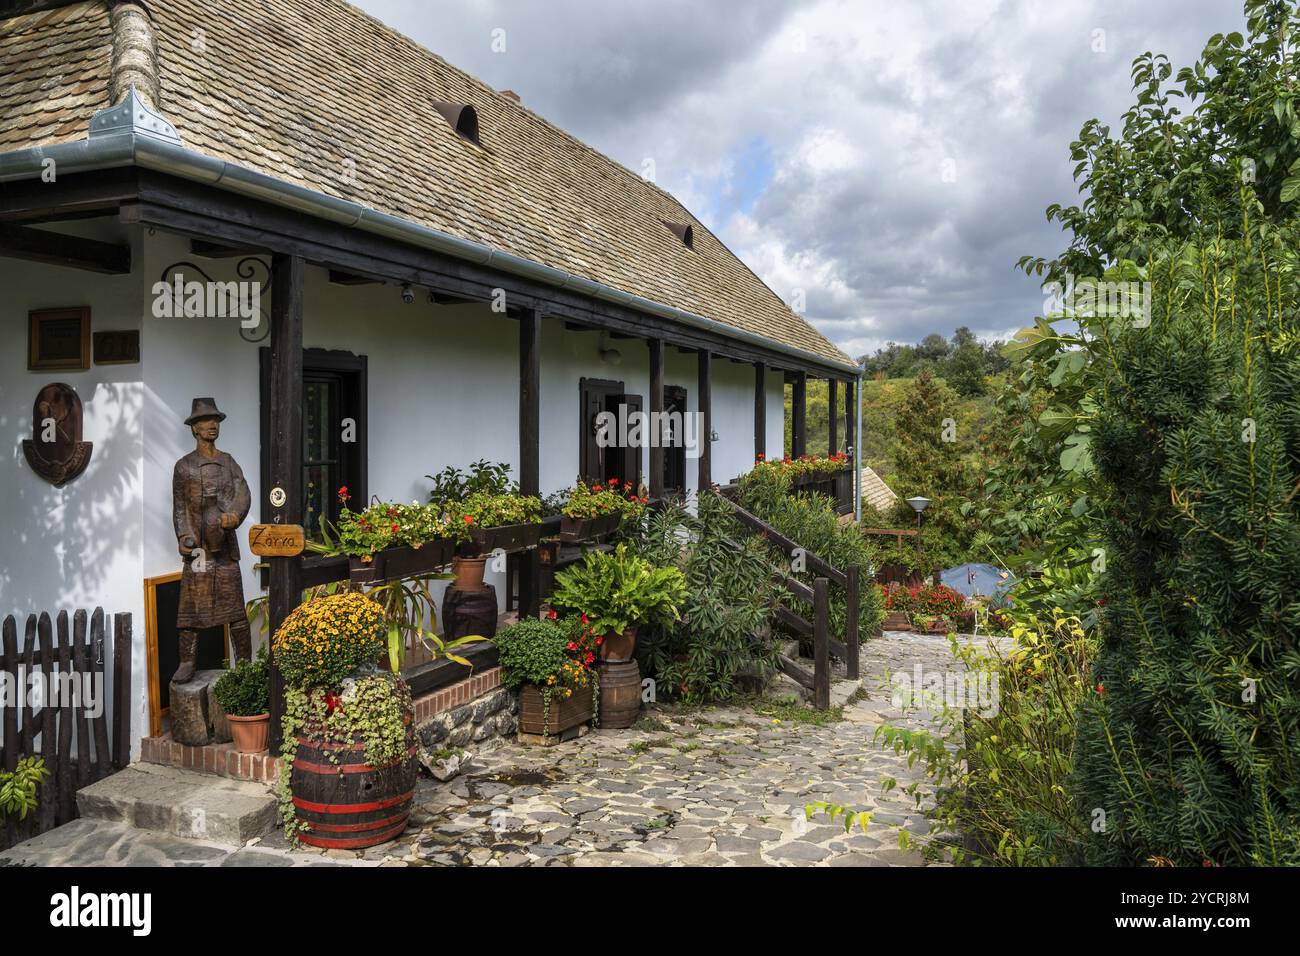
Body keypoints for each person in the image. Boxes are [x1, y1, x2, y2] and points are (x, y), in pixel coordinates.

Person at [171, 398, 251, 683]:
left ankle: (244, 664)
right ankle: (187, 661)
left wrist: (235, 515)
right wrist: (184, 537)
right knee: (192, 609)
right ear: (194, 428)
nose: (212, 425)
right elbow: (180, 507)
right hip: (200, 551)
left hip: (225, 548)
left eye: (215, 420)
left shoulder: (228, 462)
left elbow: (243, 492)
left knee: (235, 609)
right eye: (205, 421)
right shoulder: (184, 467)